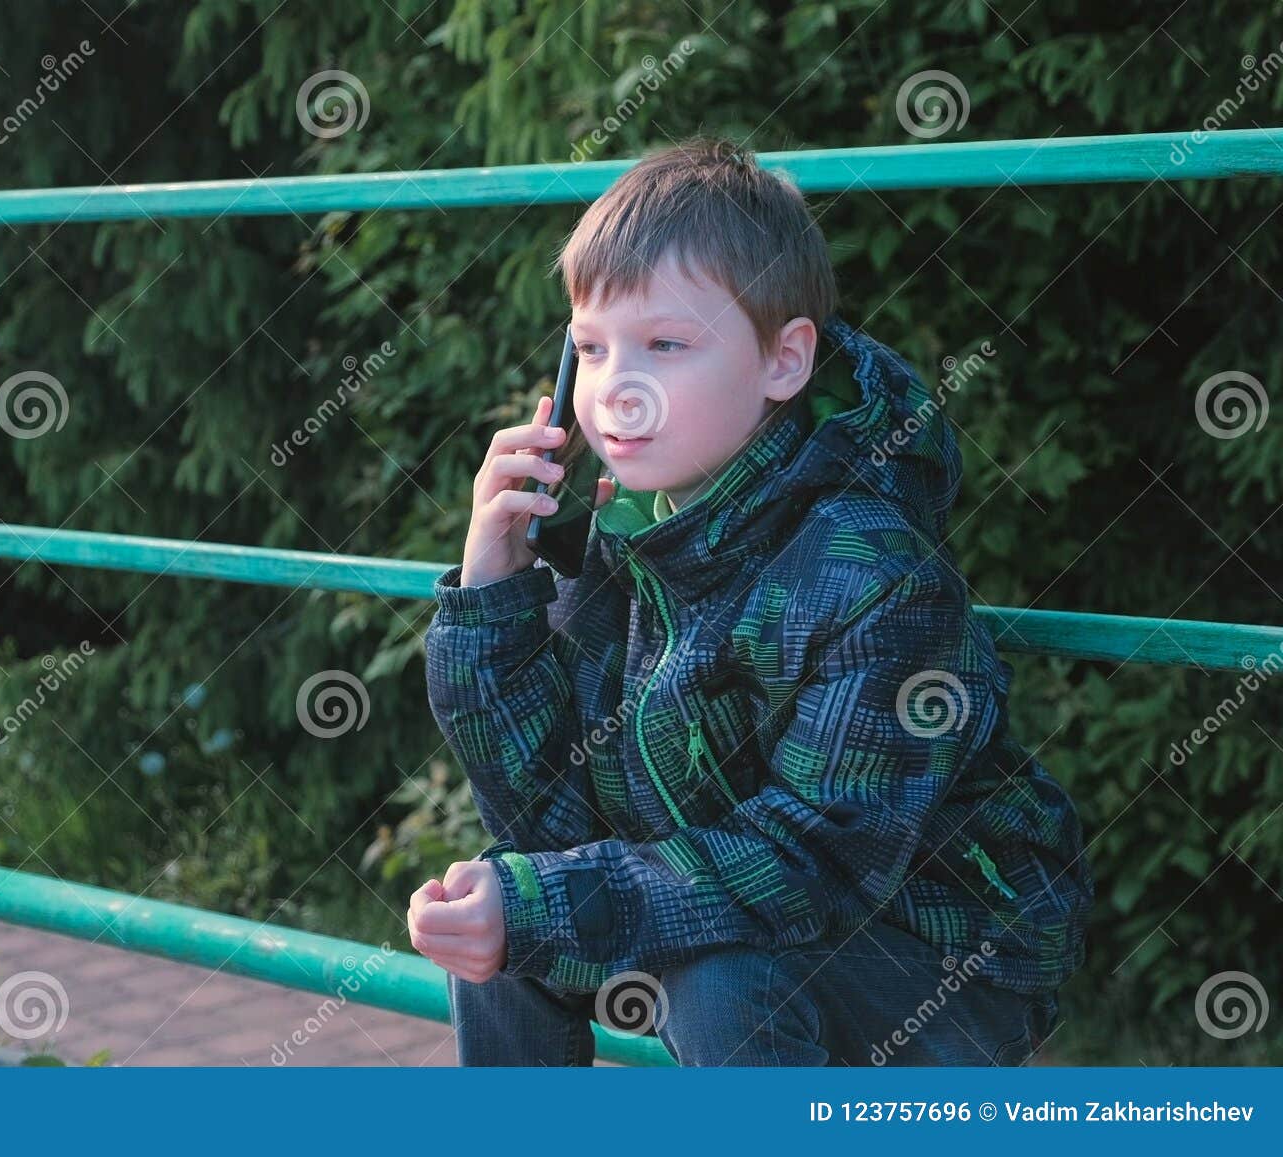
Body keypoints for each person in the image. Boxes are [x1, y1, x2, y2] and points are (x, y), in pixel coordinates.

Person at [411, 136, 1093, 1066]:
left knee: (712, 972)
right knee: (510, 909)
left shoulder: (871, 572)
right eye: (591, 350)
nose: (619, 390)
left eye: (666, 345)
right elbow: (555, 823)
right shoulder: (627, 534)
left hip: (946, 960)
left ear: (784, 362)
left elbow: (814, 859)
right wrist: (495, 591)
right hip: (747, 915)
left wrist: (545, 903)